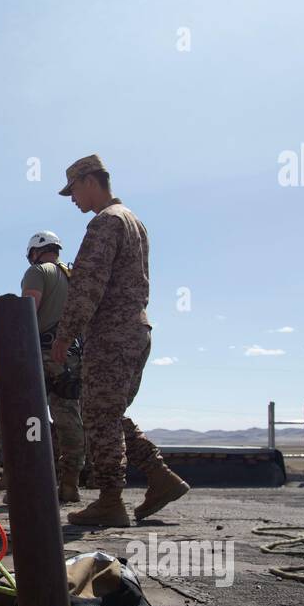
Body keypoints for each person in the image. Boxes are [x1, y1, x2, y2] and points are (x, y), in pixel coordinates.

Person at [51, 155, 190, 527]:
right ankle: (160, 478)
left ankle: (111, 501)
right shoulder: (133, 220)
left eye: (74, 191)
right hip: (133, 330)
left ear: (90, 181)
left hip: (112, 334)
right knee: (106, 412)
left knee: (97, 414)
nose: (73, 199)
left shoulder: (105, 222)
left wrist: (65, 335)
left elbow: (88, 285)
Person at [20, 231, 87, 503]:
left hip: (44, 355)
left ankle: (29, 481)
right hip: (72, 355)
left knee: (28, 417)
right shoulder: (72, 276)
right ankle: (70, 482)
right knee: (69, 418)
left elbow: (27, 311)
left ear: (35, 251)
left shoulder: (37, 271)